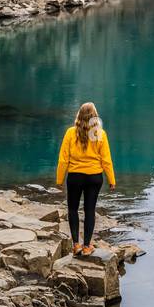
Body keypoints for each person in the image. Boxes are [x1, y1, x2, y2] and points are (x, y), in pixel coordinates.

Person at [56, 102, 116, 256]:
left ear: (79, 115)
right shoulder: (100, 134)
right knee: (90, 210)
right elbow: (106, 160)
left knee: (73, 209)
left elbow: (63, 159)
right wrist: (111, 179)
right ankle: (88, 246)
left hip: (75, 177)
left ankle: (76, 245)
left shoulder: (70, 133)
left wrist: (59, 180)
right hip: (94, 177)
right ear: (94, 117)